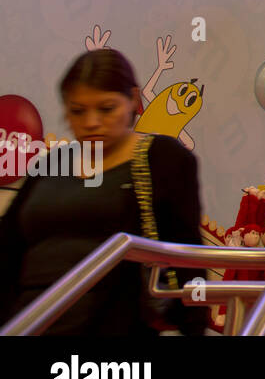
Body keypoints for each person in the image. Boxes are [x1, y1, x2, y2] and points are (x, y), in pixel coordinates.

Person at [0, 50, 206, 335]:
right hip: (24, 321)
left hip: (108, 331)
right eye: (78, 111)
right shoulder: (52, 162)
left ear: (133, 100)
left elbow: (187, 258)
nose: (91, 122)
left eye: (106, 109)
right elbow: (8, 245)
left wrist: (191, 328)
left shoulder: (163, 159)